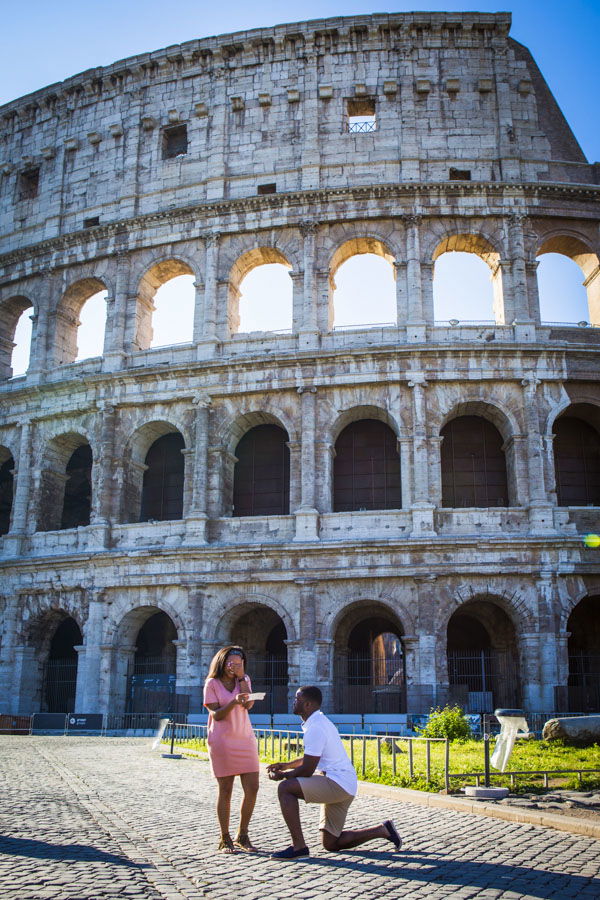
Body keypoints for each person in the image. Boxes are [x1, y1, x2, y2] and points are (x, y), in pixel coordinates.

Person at [267, 685, 402, 859]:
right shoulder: (318, 722)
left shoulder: (316, 727)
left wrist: (283, 776)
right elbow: (311, 757)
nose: (293, 702)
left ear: (307, 704)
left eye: (297, 699)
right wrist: (286, 765)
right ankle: (383, 830)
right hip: (345, 784)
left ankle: (298, 847)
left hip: (337, 783)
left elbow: (307, 769)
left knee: (285, 788)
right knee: (331, 843)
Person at [203, 645, 260, 853]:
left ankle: (242, 834)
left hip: (245, 738)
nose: (234, 666)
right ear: (222, 662)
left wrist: (242, 678)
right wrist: (233, 702)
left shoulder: (244, 680)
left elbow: (248, 705)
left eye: (238, 663)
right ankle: (224, 837)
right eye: (231, 663)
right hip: (222, 740)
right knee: (225, 789)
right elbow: (216, 715)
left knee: (253, 788)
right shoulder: (212, 683)